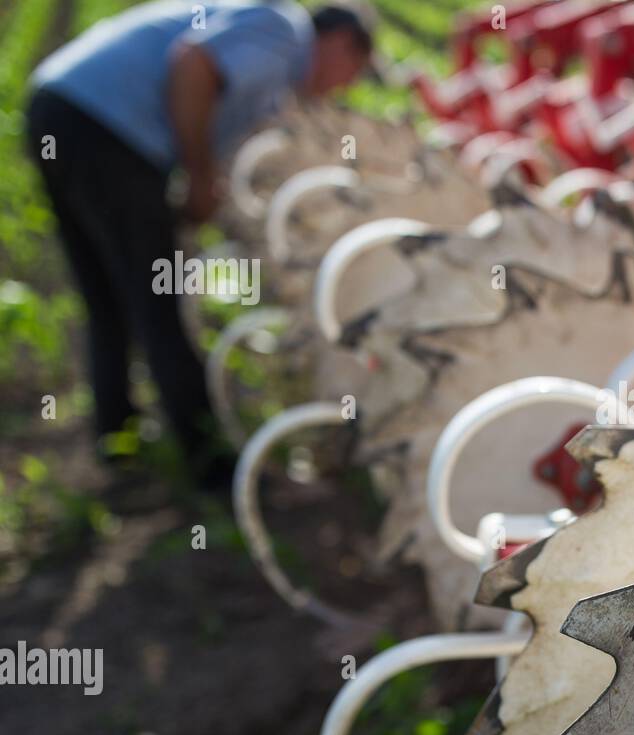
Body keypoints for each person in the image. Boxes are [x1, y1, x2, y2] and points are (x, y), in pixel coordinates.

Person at [25, 1, 376, 489]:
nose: (342, 87)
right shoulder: (284, 29)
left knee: (107, 296)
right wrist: (198, 173)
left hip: (59, 109)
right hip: (103, 127)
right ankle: (211, 466)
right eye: (351, 73)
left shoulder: (271, 56)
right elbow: (194, 64)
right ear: (341, 43)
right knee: (159, 299)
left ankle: (119, 451)